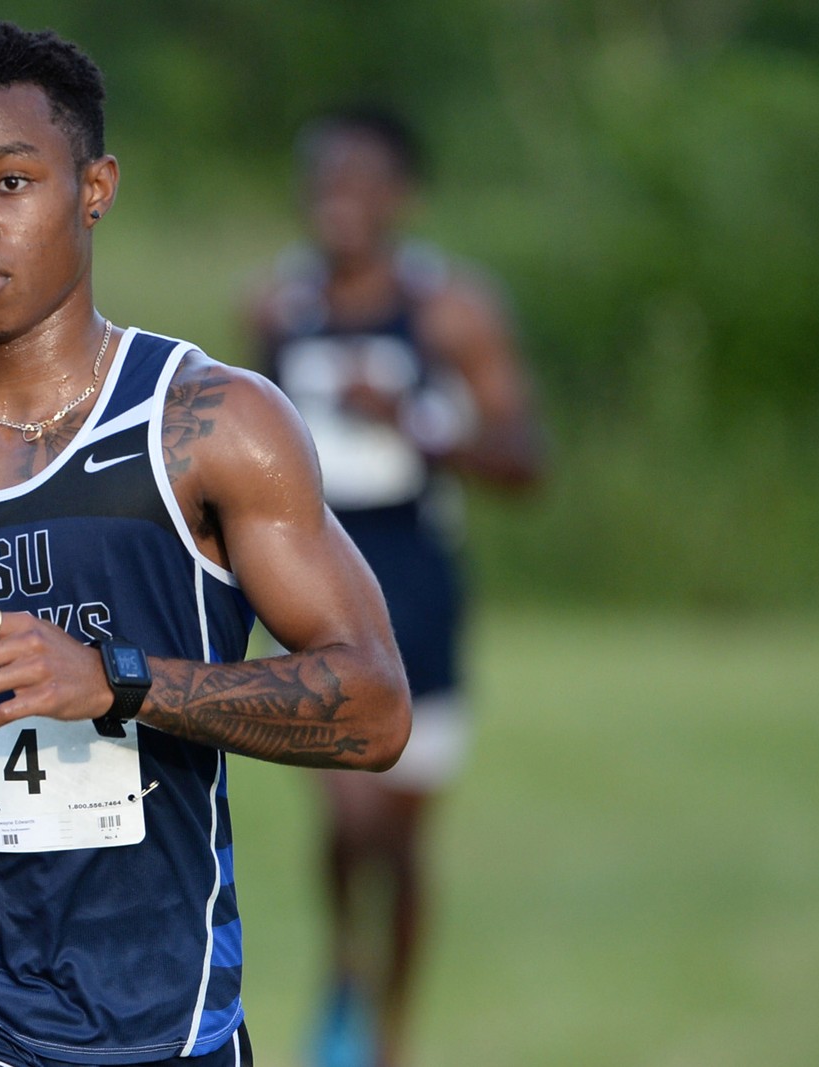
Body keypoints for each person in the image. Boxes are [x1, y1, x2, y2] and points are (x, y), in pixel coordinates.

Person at [0, 22, 412, 1067]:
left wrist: (115, 680)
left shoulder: (210, 428)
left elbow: (372, 704)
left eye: (10, 183)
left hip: (162, 1000)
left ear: (94, 188)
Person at [247, 106, 545, 1067]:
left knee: (404, 837)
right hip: (314, 578)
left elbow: (524, 460)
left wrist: (416, 426)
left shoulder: (451, 308)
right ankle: (346, 957)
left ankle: (389, 1027)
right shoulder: (276, 308)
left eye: (361, 183)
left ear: (402, 196)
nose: (339, 202)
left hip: (417, 576)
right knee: (349, 810)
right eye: (323, 181)